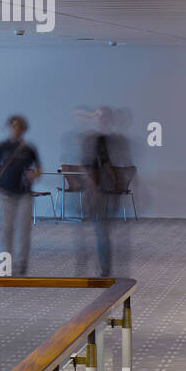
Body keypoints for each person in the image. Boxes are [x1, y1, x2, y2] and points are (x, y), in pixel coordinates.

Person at [0, 114, 41, 276]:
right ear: (8, 128)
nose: (16, 129)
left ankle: (21, 267)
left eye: (19, 127)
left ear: (24, 129)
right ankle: (5, 268)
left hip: (24, 195)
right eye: (13, 126)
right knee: (6, 231)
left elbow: (38, 169)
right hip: (6, 193)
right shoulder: (1, 147)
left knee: (23, 231)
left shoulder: (29, 148)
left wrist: (33, 175)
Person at [80, 106, 117, 274]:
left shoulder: (111, 139)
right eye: (98, 116)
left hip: (107, 190)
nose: (100, 119)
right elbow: (90, 165)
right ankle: (104, 269)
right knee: (102, 231)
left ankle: (104, 268)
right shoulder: (94, 140)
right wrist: (94, 189)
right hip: (99, 190)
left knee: (104, 231)